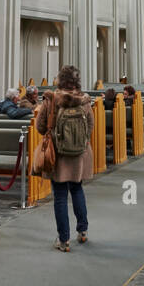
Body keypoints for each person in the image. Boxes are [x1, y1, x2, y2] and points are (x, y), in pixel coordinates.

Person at [35, 65, 93, 251]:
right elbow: (90, 125)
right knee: (77, 189)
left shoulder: (51, 99)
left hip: (58, 156)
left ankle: (64, 240)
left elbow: (40, 126)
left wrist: (55, 136)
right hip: (79, 154)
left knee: (60, 196)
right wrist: (80, 141)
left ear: (59, 79)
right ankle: (82, 232)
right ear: (76, 81)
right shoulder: (84, 100)